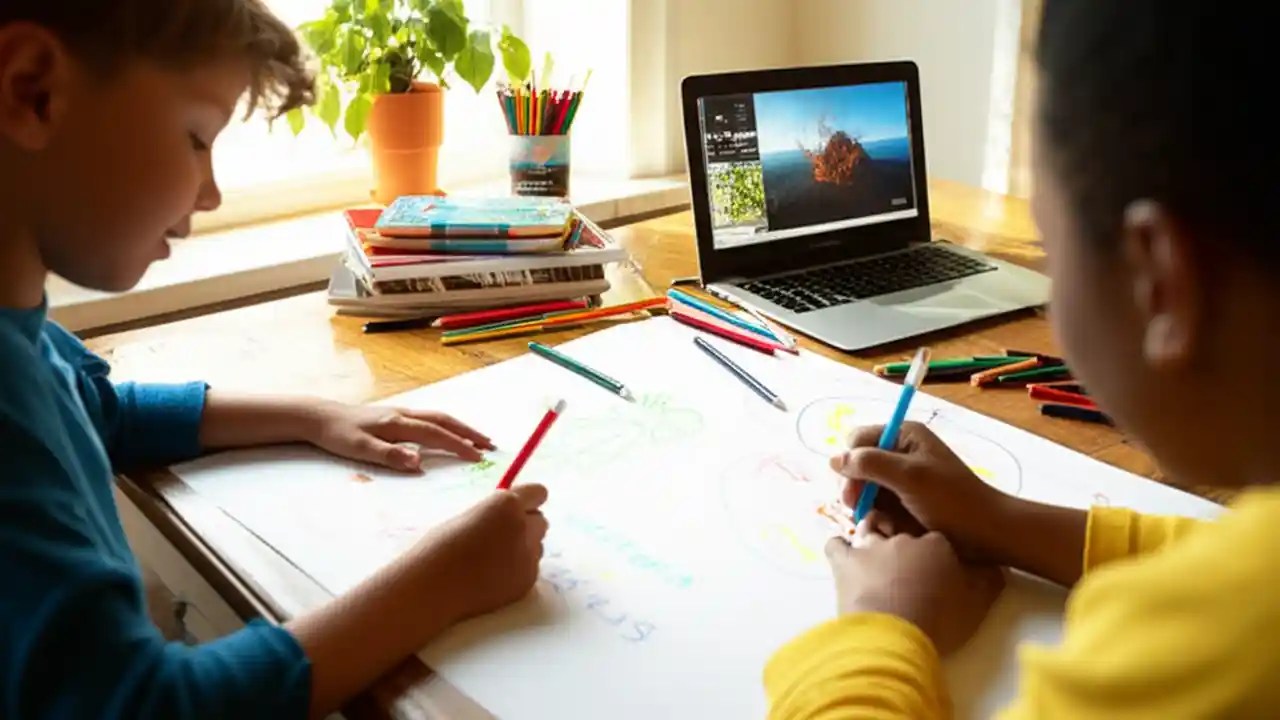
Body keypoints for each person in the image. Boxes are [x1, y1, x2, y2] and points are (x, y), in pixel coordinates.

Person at [0, 3, 548, 718]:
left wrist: (315, 416)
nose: (212, 191)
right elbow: (144, 706)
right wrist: (442, 582)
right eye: (197, 137)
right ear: (31, 90)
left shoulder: (25, 335)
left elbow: (94, 410)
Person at [765, 1, 1280, 717]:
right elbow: (1247, 560)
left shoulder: (1191, 653)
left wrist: (880, 628)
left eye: (1048, 244)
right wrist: (997, 518)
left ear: (1162, 284)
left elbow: (1224, 601)